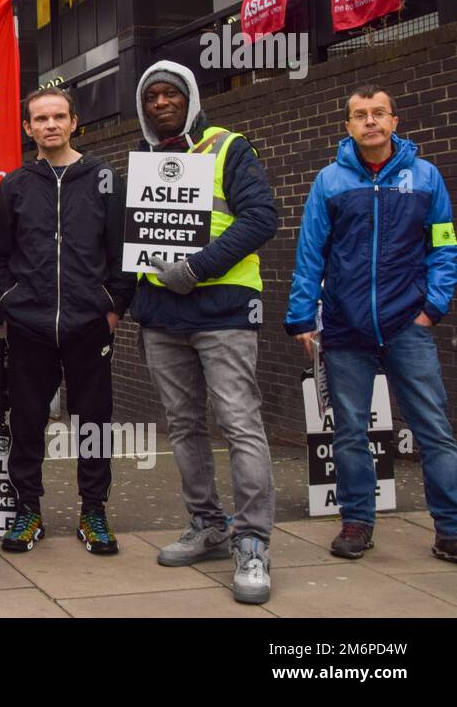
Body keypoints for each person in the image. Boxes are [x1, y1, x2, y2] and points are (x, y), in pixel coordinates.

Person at [287, 83, 457, 564]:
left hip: (409, 324)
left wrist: (432, 308)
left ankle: (450, 529)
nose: (370, 121)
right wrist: (302, 317)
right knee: (349, 433)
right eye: (360, 115)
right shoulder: (330, 181)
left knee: (434, 431)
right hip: (344, 328)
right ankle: (357, 523)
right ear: (347, 126)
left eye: (378, 113)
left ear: (394, 121)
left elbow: (444, 247)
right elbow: (310, 253)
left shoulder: (425, 177)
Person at [131, 61, 278, 604]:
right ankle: (208, 525)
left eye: (171, 93)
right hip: (163, 318)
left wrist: (196, 268)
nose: (161, 102)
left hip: (223, 312)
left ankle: (254, 541)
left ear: (191, 97)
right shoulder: (144, 160)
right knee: (184, 426)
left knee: (240, 423)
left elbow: (261, 219)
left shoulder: (229, 147)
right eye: (152, 96)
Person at [0, 87, 134, 556]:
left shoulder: (106, 178)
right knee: (27, 421)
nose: (50, 125)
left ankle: (94, 510)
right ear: (28, 128)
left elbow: (123, 251)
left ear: (74, 122)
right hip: (30, 327)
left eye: (58, 117)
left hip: (89, 325)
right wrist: (8, 302)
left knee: (93, 422)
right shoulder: (13, 185)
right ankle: (28, 509)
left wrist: (112, 306)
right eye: (40, 119)